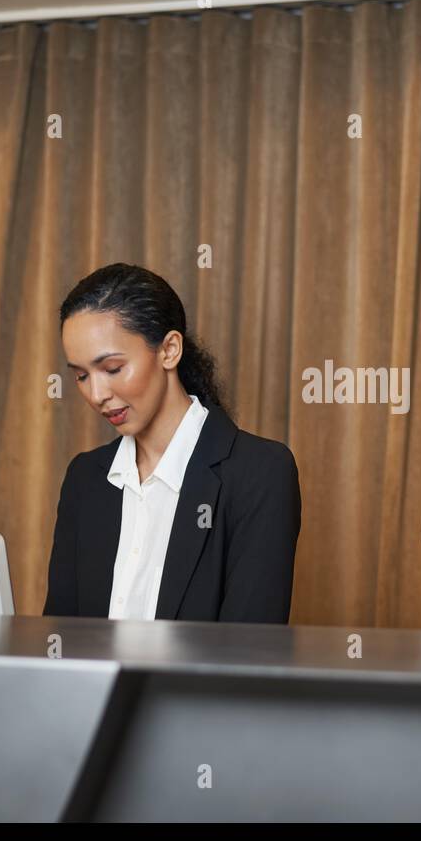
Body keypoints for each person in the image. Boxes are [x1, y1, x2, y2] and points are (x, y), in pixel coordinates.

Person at [44, 263, 300, 622]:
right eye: (82, 376)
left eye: (113, 368)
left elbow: (248, 653)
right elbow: (61, 636)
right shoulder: (85, 478)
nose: (97, 394)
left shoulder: (259, 473)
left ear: (169, 350)